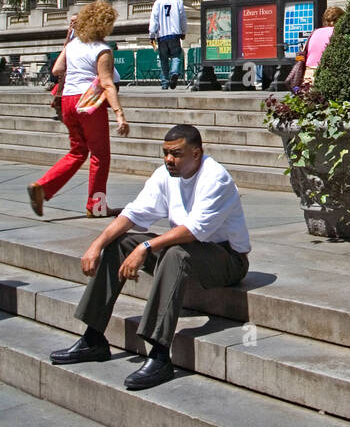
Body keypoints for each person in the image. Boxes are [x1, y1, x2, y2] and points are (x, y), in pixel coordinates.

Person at [49, 124, 250, 391]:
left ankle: (159, 354)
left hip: (227, 260)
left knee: (175, 252)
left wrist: (145, 247)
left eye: (177, 154)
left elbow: (193, 231)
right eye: (165, 153)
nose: (169, 160)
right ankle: (93, 338)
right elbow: (133, 214)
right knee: (120, 242)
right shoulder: (164, 175)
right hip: (188, 253)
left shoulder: (216, 178)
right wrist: (97, 244)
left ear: (197, 153)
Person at [27, 2, 129, 219]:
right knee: (100, 155)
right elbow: (107, 83)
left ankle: (43, 187)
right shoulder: (102, 50)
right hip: (89, 103)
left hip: (68, 102)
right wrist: (119, 113)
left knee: (78, 151)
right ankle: (96, 206)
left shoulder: (73, 45)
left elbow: (57, 69)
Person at [149, 0, 187, 90]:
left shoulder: (158, 2)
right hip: (174, 34)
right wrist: (183, 32)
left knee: (163, 59)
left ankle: (165, 82)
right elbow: (183, 18)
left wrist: (152, 35)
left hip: (162, 35)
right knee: (176, 56)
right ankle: (174, 73)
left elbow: (154, 20)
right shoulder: (177, 0)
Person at [302, 5, 343, 86]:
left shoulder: (314, 32)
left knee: (308, 97)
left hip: (309, 72)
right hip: (327, 72)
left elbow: (302, 52)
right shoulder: (339, 32)